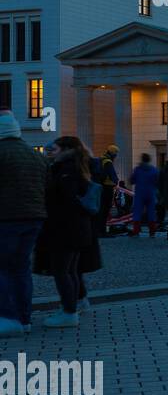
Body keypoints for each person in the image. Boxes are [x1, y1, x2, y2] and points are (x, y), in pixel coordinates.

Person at [34, 136, 101, 328]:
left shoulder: (66, 171)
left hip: (65, 229)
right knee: (70, 270)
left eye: (54, 149)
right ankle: (71, 307)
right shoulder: (77, 167)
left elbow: (66, 201)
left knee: (62, 271)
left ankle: (69, 311)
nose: (49, 152)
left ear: (66, 150)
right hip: (76, 229)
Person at [0, 111, 48, 336]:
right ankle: (24, 317)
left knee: (3, 268)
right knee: (21, 268)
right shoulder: (34, 155)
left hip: (6, 218)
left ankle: (8, 317)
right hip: (34, 217)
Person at [128, 153, 160, 237]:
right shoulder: (154, 170)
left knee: (137, 213)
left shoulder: (137, 169)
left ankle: (136, 231)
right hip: (151, 193)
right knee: (151, 213)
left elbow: (131, 180)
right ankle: (152, 232)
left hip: (140, 193)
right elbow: (157, 181)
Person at [92, 144, 120, 237]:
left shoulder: (101, 159)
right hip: (107, 187)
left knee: (101, 209)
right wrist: (116, 182)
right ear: (113, 154)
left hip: (101, 186)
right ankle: (102, 231)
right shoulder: (108, 161)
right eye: (115, 154)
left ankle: (99, 230)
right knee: (105, 210)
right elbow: (112, 175)